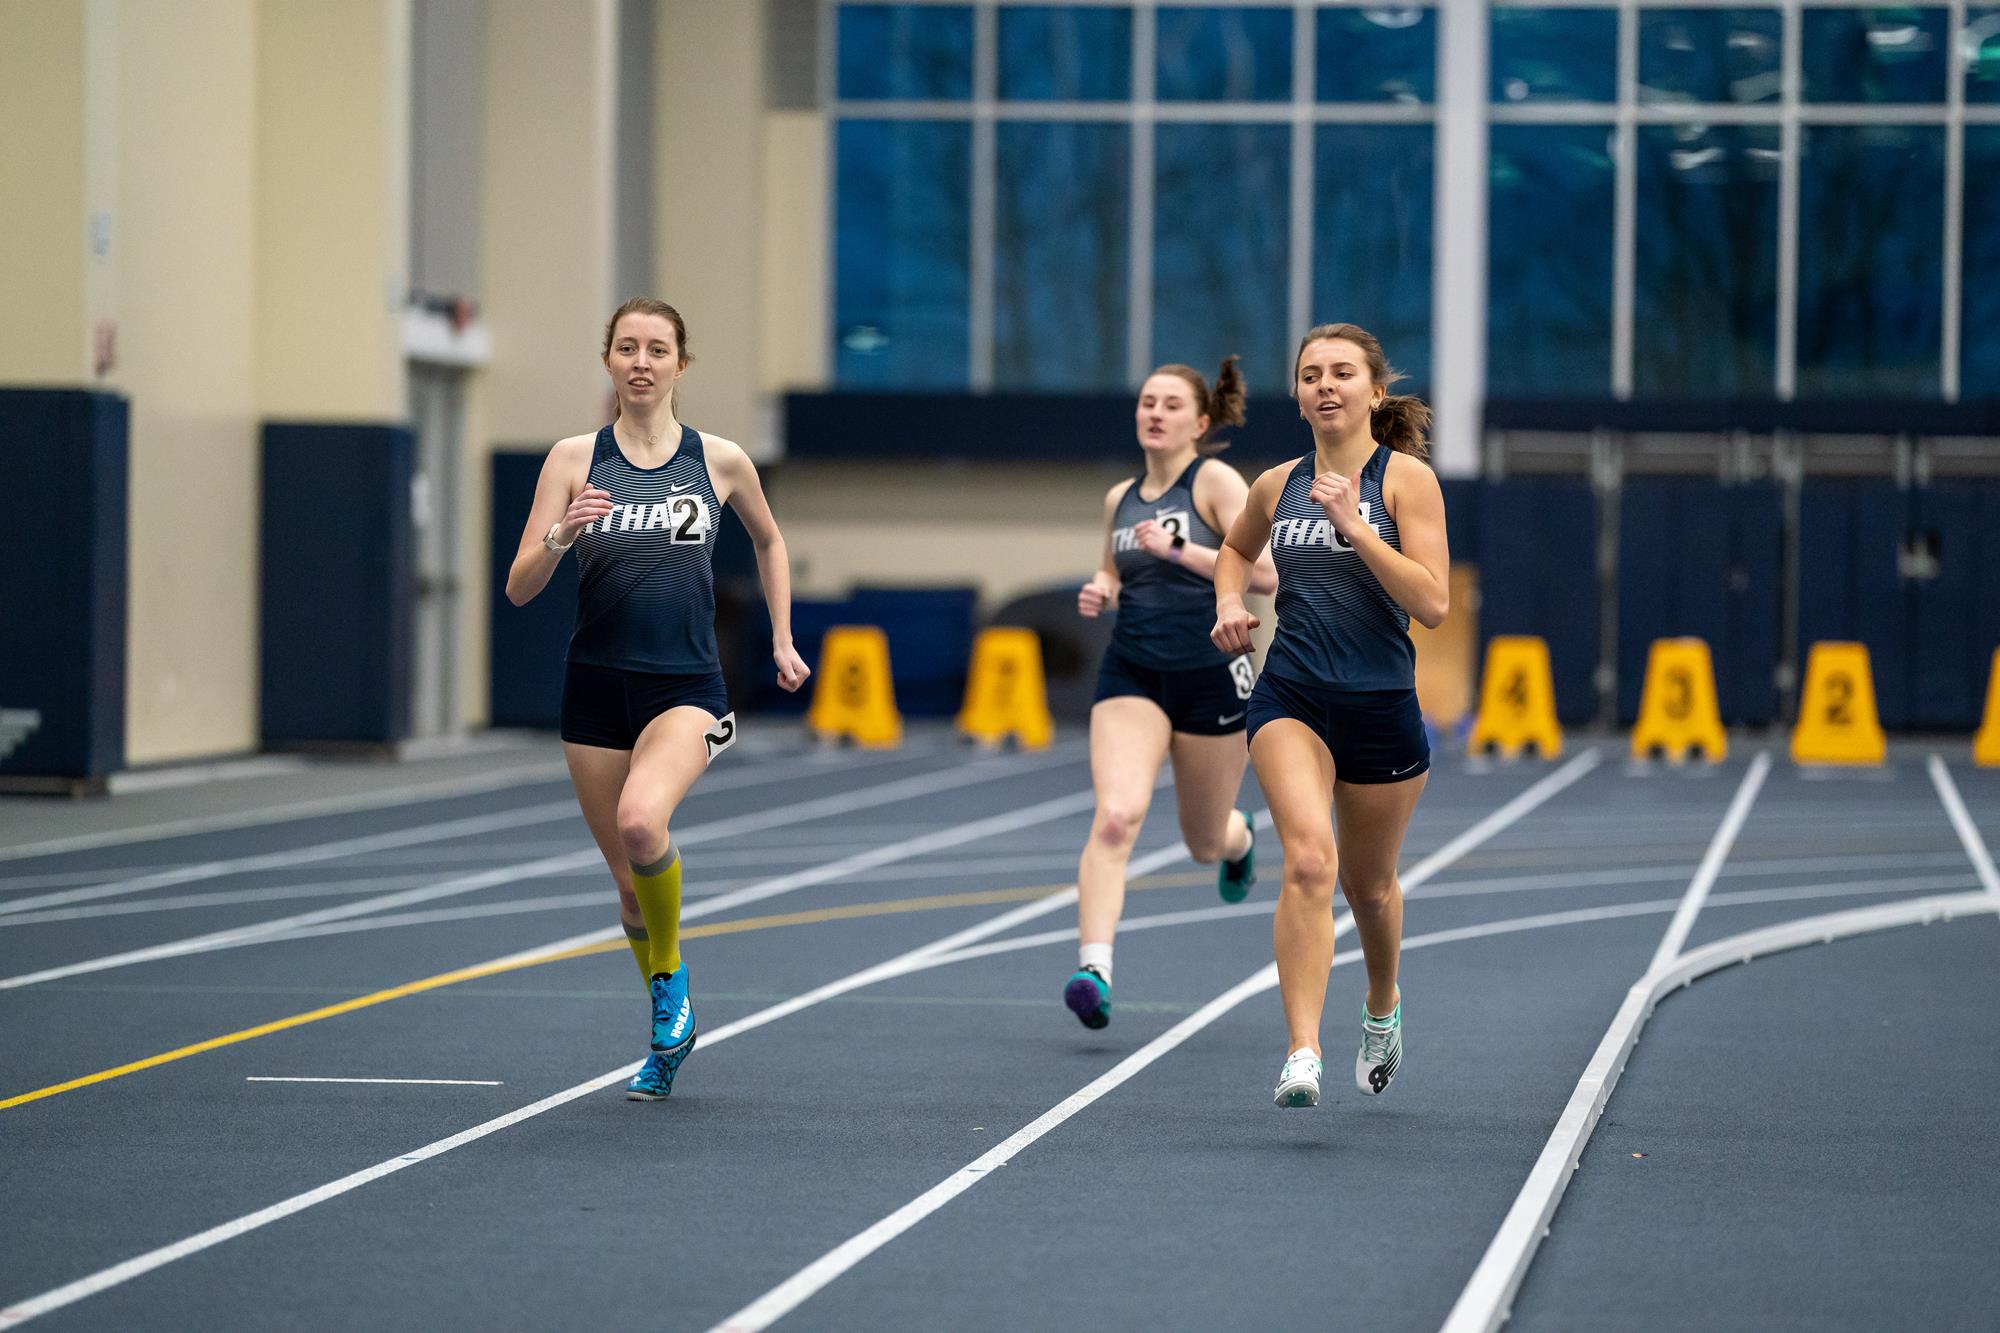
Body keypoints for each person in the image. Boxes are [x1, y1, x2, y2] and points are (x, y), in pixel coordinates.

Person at [506, 297, 810, 1100]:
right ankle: (667, 1034)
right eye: (628, 348)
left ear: (682, 364)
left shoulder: (720, 460)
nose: (642, 361)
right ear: (607, 360)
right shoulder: (573, 459)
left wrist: (781, 638)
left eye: (658, 349)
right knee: (627, 887)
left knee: (645, 821)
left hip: (686, 685)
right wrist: (560, 534)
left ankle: (671, 982)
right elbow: (519, 586)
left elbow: (771, 540)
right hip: (596, 689)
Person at [1210, 323, 1448, 1107]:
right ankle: (1302, 1050)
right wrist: (1226, 602)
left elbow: (1434, 603)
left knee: (1369, 887)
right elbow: (1235, 553)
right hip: (1294, 695)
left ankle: (1382, 1005)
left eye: (1342, 372)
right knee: (1309, 861)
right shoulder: (1274, 484)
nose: (1325, 384)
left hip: (1380, 703)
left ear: (1375, 393)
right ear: (1300, 395)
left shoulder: (1406, 481)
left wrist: (1353, 526)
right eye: (1311, 373)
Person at [1066, 357, 1278, 1030]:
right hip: (1131, 672)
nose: (1154, 413)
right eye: (1146, 402)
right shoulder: (1118, 497)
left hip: (1212, 673)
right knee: (1116, 817)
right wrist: (1104, 590)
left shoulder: (1212, 481)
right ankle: (1093, 969)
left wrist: (1180, 551)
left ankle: (1239, 837)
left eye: (1170, 404)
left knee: (1204, 842)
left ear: (1200, 421)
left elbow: (1266, 574)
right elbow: (1113, 572)